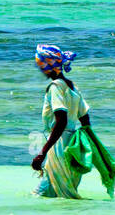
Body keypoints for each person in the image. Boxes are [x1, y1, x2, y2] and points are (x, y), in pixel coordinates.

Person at [30, 44, 92, 198]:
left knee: (41, 194)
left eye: (41, 64)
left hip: (59, 144)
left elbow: (61, 121)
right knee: (65, 193)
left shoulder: (55, 87)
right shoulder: (73, 87)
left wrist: (42, 153)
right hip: (74, 147)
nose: (40, 68)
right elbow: (85, 120)